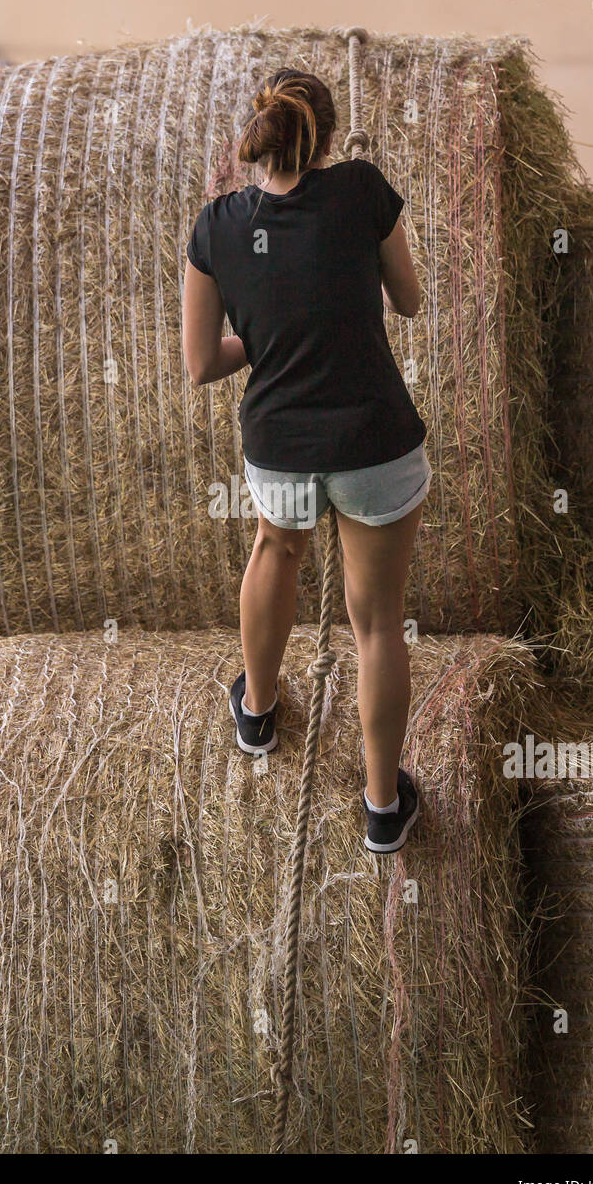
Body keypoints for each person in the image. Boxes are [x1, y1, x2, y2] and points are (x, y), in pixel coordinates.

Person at [182, 68, 432, 854]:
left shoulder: (217, 226)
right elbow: (410, 299)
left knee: (273, 549)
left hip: (281, 445)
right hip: (374, 440)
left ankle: (257, 713)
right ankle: (383, 807)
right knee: (378, 624)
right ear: (324, 140)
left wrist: (265, 338)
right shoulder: (362, 190)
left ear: (259, 137)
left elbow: (199, 363)